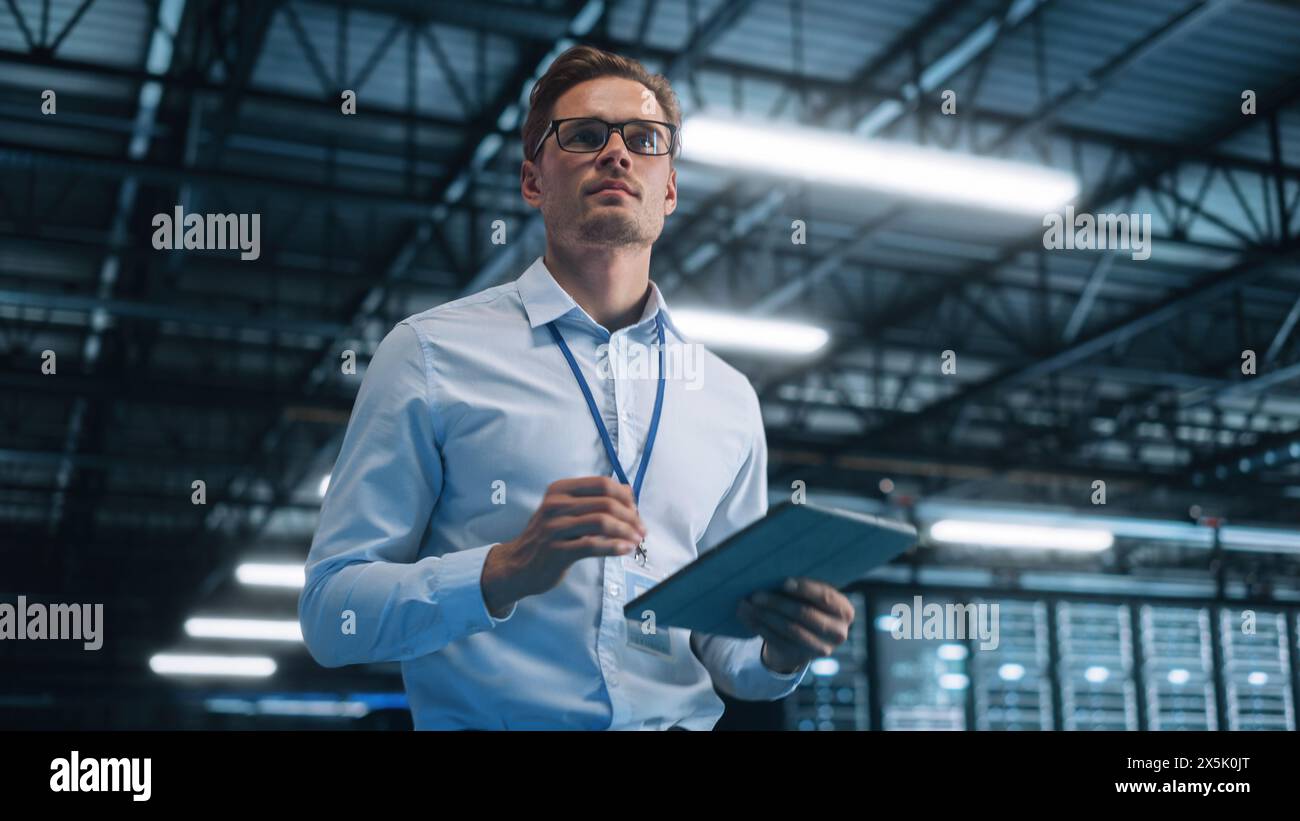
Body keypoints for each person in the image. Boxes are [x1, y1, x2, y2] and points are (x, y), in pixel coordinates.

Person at [299, 45, 855, 730]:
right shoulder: (429, 354)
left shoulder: (727, 396)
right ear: (532, 181)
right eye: (586, 135)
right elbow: (332, 615)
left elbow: (727, 648)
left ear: (670, 187)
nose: (617, 153)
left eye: (644, 139)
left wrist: (781, 648)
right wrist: (501, 570)